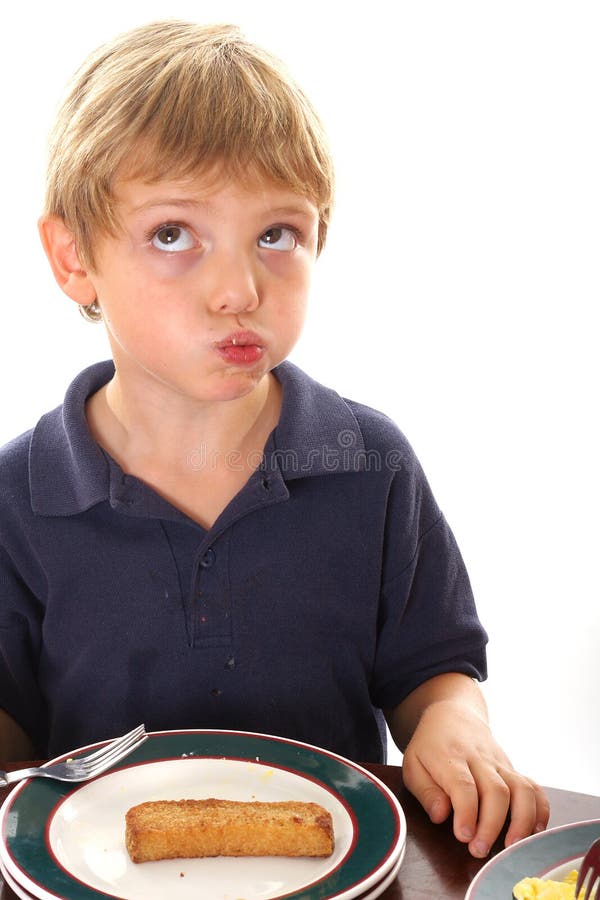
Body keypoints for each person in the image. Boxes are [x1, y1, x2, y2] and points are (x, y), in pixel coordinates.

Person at [0, 20, 549, 858]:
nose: (238, 290)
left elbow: (433, 670)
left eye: (276, 235)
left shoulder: (371, 463)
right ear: (74, 256)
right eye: (174, 235)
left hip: (334, 871)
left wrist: (452, 725)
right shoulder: (17, 495)